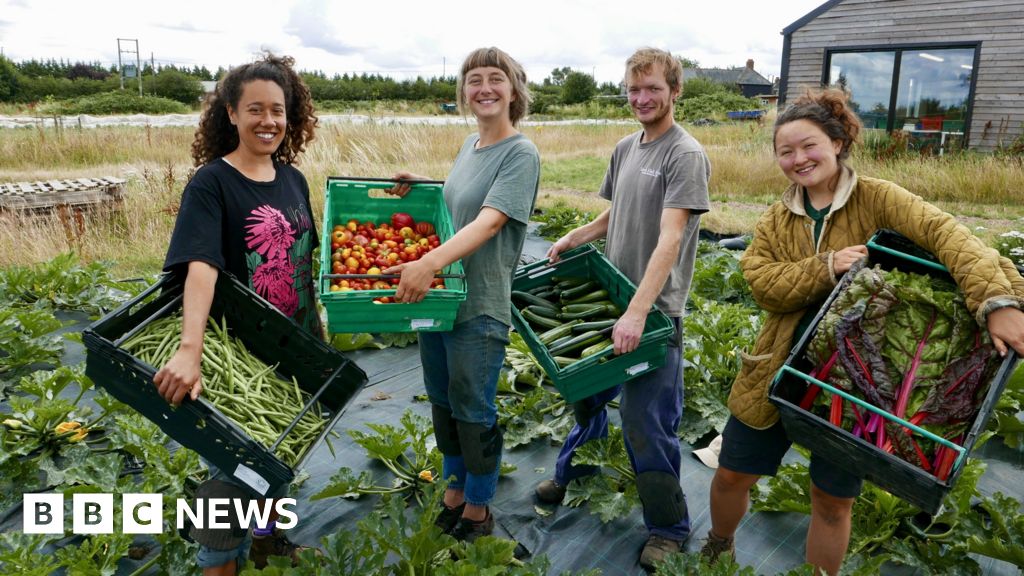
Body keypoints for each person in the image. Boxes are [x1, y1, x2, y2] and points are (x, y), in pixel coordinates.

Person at [700, 87, 1024, 576]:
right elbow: (762, 285)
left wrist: (996, 302)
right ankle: (718, 542)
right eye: (785, 151)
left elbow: (950, 236)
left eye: (808, 145)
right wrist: (826, 266)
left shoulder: (879, 198)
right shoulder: (776, 218)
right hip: (777, 367)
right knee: (730, 475)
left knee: (832, 501)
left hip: (858, 383)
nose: (798, 159)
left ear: (837, 143)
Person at [534, 47, 711, 571]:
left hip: (654, 315)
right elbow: (618, 212)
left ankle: (668, 527)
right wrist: (577, 234)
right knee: (587, 398)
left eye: (653, 88)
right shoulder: (626, 147)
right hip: (614, 295)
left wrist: (637, 311)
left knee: (645, 420)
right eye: (634, 89)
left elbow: (671, 236)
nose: (642, 98)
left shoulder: (685, 154)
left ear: (675, 91)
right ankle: (576, 474)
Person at [154, 53, 322, 575]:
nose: (268, 121)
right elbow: (201, 266)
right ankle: (218, 563)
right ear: (230, 113)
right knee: (232, 475)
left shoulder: (292, 179)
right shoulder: (212, 183)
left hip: (292, 346)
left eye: (278, 110)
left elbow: (304, 259)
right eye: (255, 109)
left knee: (279, 457)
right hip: (241, 352)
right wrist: (190, 350)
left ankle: (268, 539)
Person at [385, 47, 540, 542]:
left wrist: (428, 263)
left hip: (478, 305)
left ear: (513, 90)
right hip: (440, 300)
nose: (484, 88)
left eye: (496, 78)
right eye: (474, 80)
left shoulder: (521, 153)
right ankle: (453, 492)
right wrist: (429, 187)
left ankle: (478, 509)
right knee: (442, 402)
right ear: (463, 92)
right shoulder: (471, 146)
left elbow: (490, 221)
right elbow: (462, 203)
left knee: (473, 413)